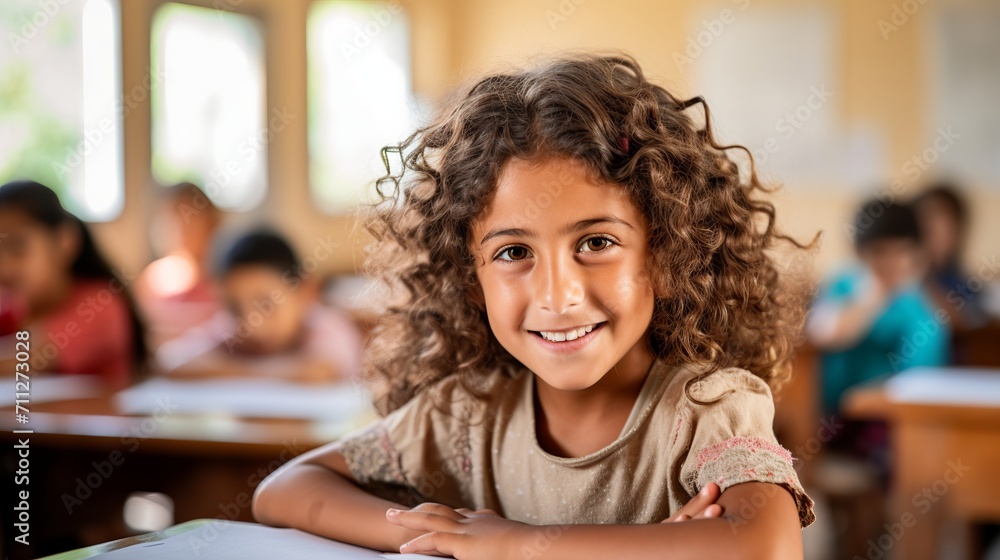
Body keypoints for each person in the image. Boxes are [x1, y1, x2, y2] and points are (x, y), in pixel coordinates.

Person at [253, 54, 816, 558]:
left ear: (668, 260)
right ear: (470, 281)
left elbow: (765, 544)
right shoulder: (467, 415)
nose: (556, 295)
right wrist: (445, 535)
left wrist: (517, 545)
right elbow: (284, 491)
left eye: (596, 243)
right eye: (514, 251)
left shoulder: (705, 408)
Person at [158, 228, 362, 382]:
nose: (251, 324)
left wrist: (228, 370)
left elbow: (318, 373)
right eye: (235, 308)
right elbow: (171, 361)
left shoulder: (326, 326)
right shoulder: (227, 330)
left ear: (304, 292)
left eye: (266, 305)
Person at [808, 198, 950, 418]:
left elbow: (923, 378)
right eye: (880, 251)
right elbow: (823, 333)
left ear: (915, 254)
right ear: (861, 252)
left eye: (900, 251)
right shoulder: (844, 286)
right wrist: (874, 297)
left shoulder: (917, 305)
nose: (890, 262)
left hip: (892, 417)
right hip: (834, 415)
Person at [0, 180, 147, 388]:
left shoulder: (100, 306)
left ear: (64, 242)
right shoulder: (13, 310)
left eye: (18, 246)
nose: (4, 267)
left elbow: (25, 358)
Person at [135, 182, 223, 347]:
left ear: (211, 223)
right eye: (175, 217)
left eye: (193, 217)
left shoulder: (226, 277)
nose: (183, 226)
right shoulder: (153, 281)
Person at [912, 181, 989, 329]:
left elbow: (964, 323)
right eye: (930, 228)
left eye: (947, 229)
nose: (938, 237)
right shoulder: (897, 276)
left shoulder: (966, 285)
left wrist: (923, 278)